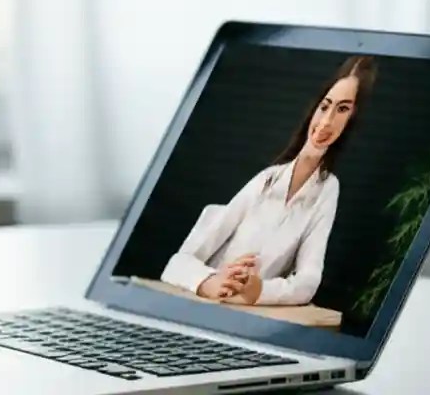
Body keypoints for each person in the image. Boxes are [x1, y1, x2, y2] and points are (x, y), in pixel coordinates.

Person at [160, 56, 378, 307]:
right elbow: (176, 264)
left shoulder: (327, 190)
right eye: (325, 106)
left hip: (246, 319)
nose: (327, 121)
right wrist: (210, 282)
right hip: (198, 308)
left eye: (342, 109)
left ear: (353, 120)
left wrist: (259, 290)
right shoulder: (266, 180)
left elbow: (307, 282)